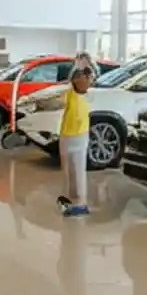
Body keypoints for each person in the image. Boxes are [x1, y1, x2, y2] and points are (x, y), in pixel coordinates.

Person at [57, 67, 93, 217]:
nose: (91, 82)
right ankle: (72, 201)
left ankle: (80, 204)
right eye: (88, 78)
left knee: (78, 171)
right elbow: (56, 101)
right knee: (68, 172)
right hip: (67, 137)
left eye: (91, 79)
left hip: (80, 137)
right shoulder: (68, 94)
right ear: (78, 80)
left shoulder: (86, 95)